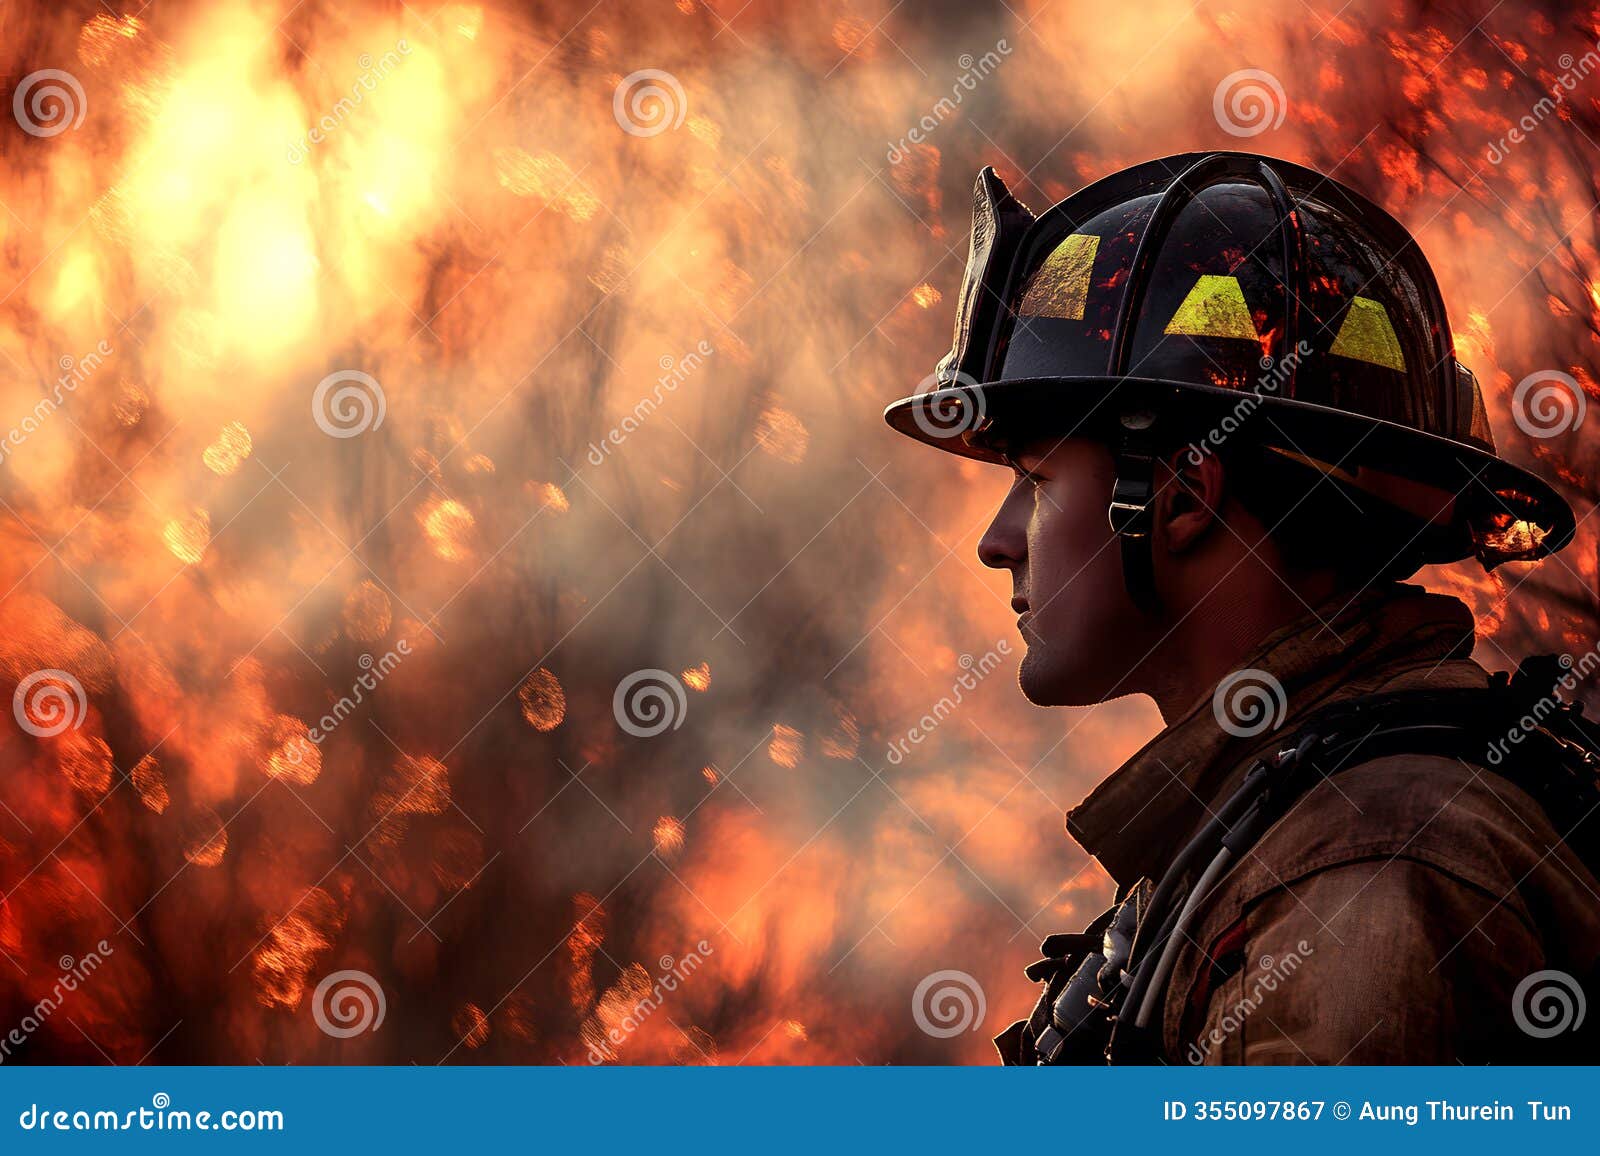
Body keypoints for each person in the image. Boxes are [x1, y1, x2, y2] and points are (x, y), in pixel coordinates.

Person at [884, 152, 1600, 1064]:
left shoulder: (1366, 876)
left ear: (1183, 498)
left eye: (1036, 481)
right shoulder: (1275, 828)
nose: (998, 540)